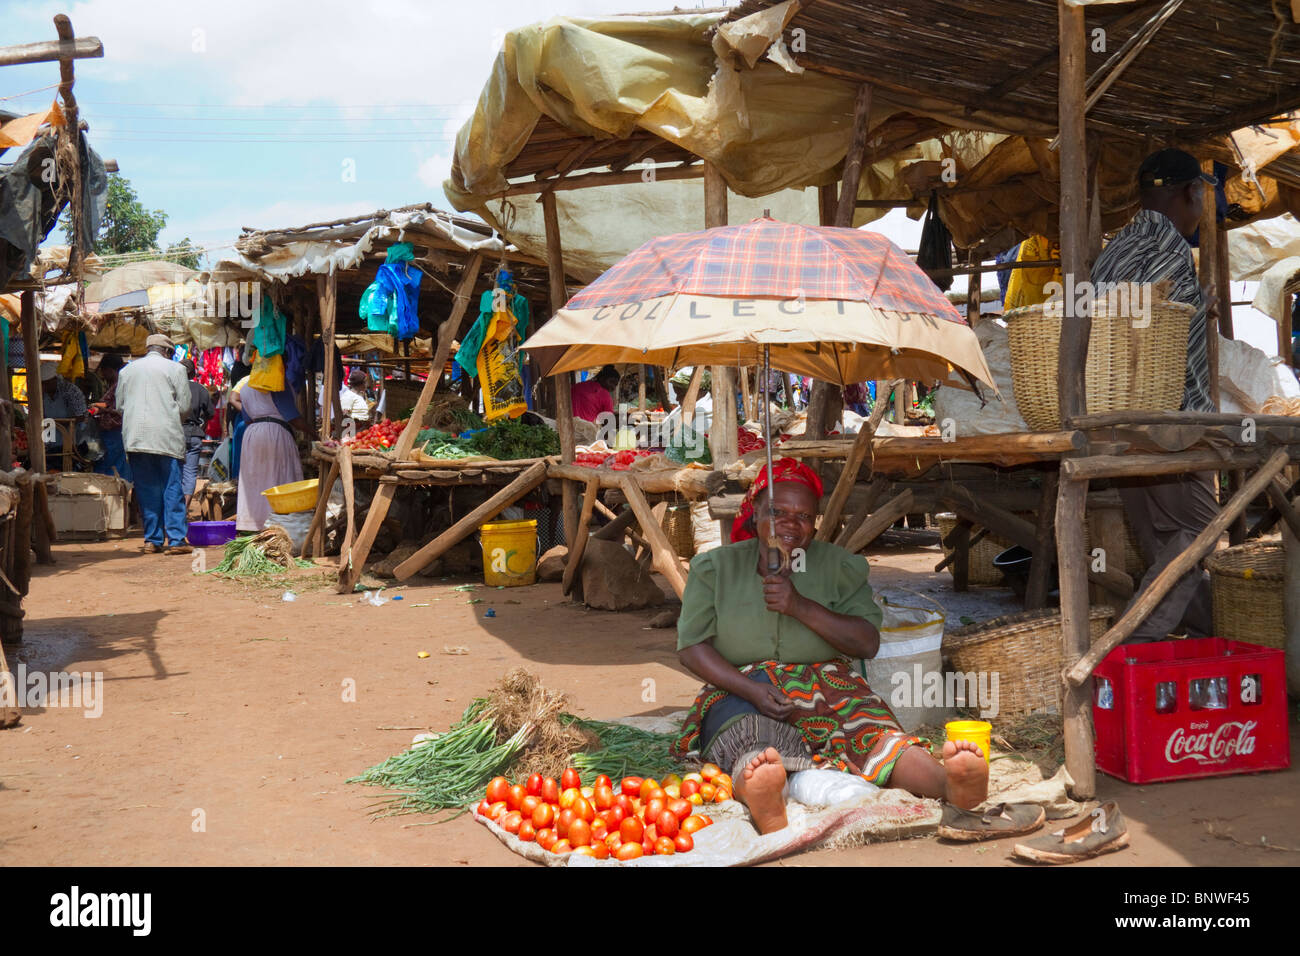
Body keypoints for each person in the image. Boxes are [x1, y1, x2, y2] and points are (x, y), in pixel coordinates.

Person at [672, 458, 987, 834]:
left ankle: (949, 785)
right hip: (741, 683)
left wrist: (799, 606)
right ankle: (765, 797)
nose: (790, 524)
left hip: (829, 683)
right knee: (750, 739)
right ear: (754, 513)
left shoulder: (839, 566)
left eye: (803, 516)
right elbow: (691, 647)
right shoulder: (715, 568)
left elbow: (866, 643)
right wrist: (751, 690)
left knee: (871, 732)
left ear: (816, 522)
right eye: (777, 511)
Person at [1091, 148, 1220, 643]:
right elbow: (1161, 341)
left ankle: (1211, 639)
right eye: (1201, 196)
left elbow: (1134, 322)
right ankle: (1131, 644)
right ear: (1189, 193)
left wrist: (1193, 307)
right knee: (1203, 534)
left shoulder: (1115, 249)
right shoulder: (1171, 253)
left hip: (1119, 419)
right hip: (1172, 427)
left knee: (1166, 545)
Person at [116, 335, 192, 554]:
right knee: (172, 487)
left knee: (147, 490)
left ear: (148, 348)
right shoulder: (176, 370)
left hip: (136, 438)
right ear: (167, 351)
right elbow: (185, 406)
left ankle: (152, 540)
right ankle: (177, 539)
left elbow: (120, 405)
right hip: (167, 436)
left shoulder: (127, 371)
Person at [235, 380, 306, 534]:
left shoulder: (246, 388)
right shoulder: (279, 384)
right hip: (275, 433)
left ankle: (254, 526)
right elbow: (293, 417)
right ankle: (278, 526)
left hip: (252, 434)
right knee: (279, 479)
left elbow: (247, 418)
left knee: (255, 482)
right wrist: (315, 434)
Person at [89, 353, 131, 482]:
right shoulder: (114, 385)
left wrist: (102, 409)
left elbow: (120, 410)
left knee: (111, 466)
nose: (102, 375)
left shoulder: (119, 385)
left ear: (110, 370)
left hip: (115, 432)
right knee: (113, 464)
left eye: (104, 371)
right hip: (111, 432)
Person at [39, 360, 88, 468]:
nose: (44, 387)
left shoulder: (71, 391)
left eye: (46, 383)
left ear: (56, 379)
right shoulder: (42, 394)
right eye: (42, 384)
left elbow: (80, 416)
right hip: (50, 441)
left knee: (68, 469)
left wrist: (57, 423)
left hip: (72, 442)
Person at [181, 360, 215, 513]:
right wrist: (203, 424)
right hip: (194, 434)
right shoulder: (201, 389)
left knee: (174, 473)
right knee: (190, 473)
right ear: (193, 373)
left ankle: (174, 511)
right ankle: (184, 509)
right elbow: (210, 413)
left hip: (175, 435)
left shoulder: (174, 387)